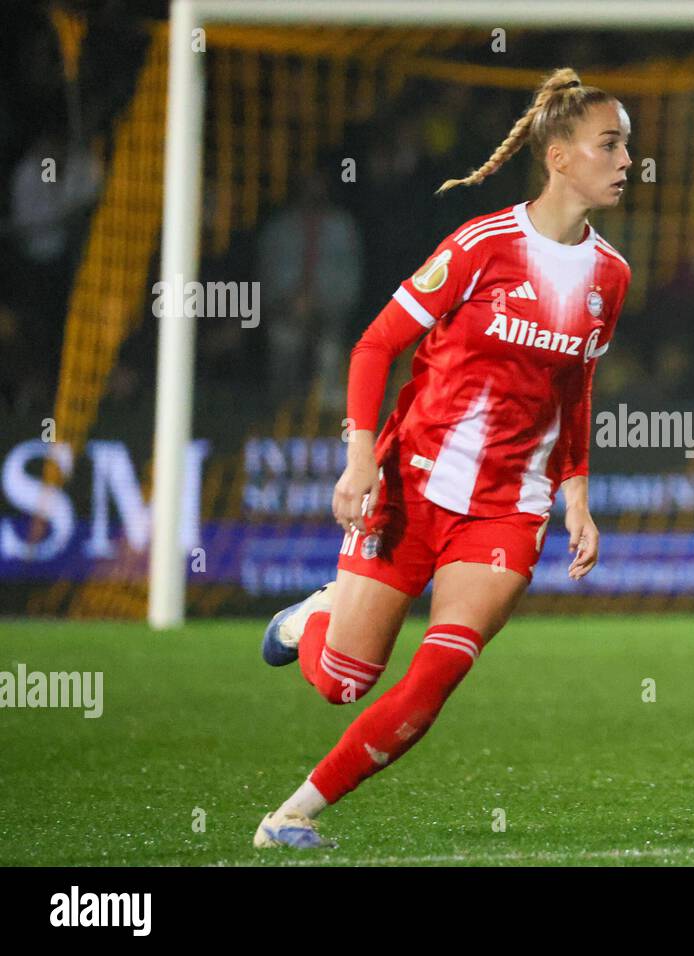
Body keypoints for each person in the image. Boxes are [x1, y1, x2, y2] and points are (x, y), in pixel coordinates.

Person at [253, 67, 633, 849]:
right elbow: (375, 345)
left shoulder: (611, 276)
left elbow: (576, 388)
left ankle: (291, 814)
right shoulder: (480, 246)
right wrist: (360, 461)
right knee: (342, 683)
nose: (629, 159)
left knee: (436, 677)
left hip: (508, 506)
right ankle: (317, 614)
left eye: (627, 144)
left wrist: (578, 495)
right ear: (559, 156)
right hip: (411, 483)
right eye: (611, 143)